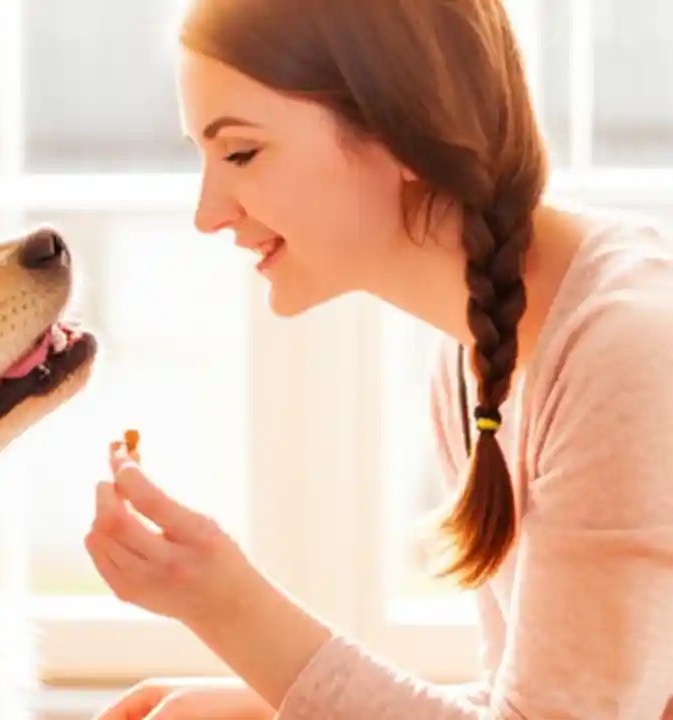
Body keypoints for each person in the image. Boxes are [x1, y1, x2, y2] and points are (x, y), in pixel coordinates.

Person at [84, 0, 673, 718]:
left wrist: (231, 607)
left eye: (240, 152)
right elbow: (534, 701)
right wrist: (259, 707)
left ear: (403, 124)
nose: (209, 213)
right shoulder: (473, 367)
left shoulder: (628, 351)